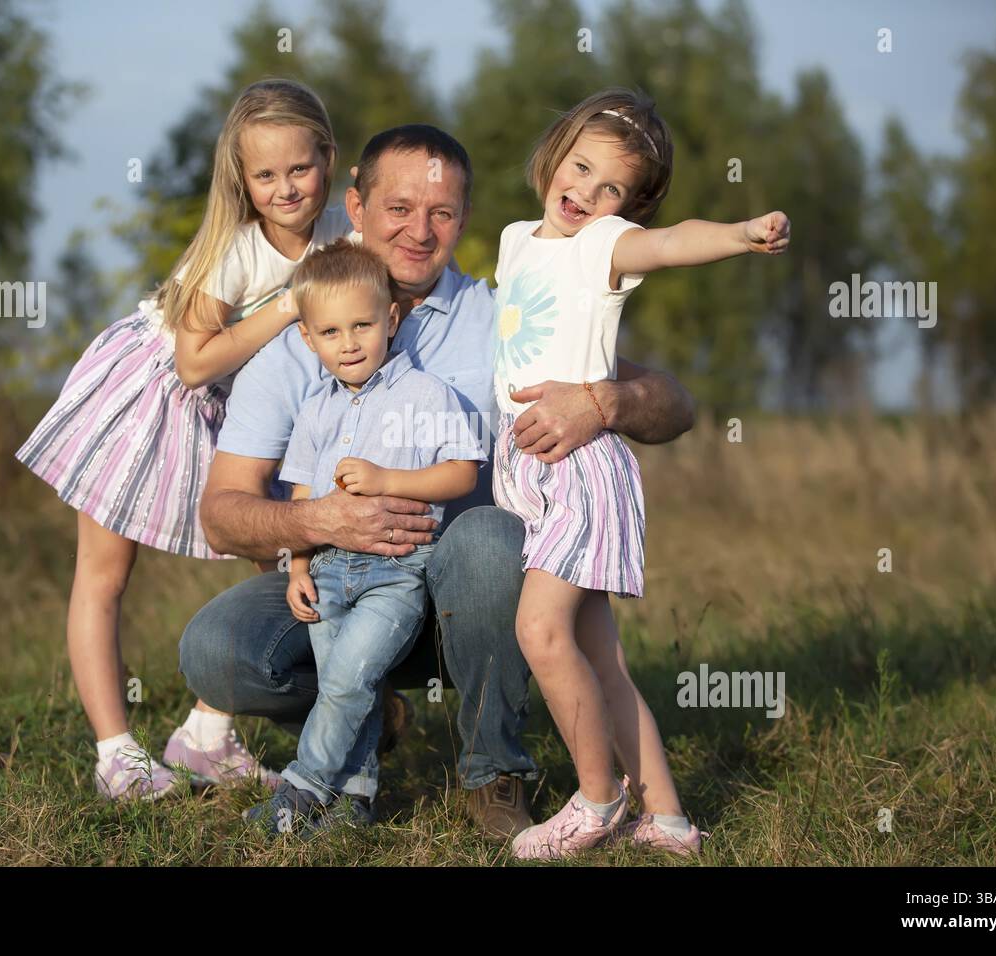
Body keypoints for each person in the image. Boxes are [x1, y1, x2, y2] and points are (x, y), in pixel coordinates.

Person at [178, 124, 698, 839]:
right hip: (336, 582)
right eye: (398, 209)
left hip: (470, 601)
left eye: (442, 214)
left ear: (464, 221)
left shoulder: (502, 316)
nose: (419, 231)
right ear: (355, 207)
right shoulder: (301, 330)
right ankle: (373, 712)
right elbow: (221, 514)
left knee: (488, 537)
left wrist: (606, 402)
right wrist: (319, 523)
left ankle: (493, 772)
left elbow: (675, 405)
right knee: (217, 652)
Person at [16, 78, 353, 800]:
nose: (286, 188)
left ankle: (204, 734)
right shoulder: (237, 249)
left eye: (300, 168)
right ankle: (116, 754)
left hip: (232, 413)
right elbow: (194, 360)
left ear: (328, 157)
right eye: (265, 176)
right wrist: (295, 303)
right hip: (149, 395)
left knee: (286, 557)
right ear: (243, 181)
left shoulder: (341, 235)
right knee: (105, 574)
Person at [494, 87, 790, 859]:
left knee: (539, 628)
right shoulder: (515, 239)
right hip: (532, 465)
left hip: (581, 469)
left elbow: (670, 244)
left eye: (610, 189)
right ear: (555, 151)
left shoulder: (603, 247)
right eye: (580, 166)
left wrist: (738, 233)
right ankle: (667, 818)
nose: (584, 192)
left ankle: (597, 800)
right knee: (601, 658)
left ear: (628, 210)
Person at [242, 240, 484, 834]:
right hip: (324, 573)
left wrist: (387, 479)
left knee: (350, 679)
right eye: (330, 331)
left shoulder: (426, 396)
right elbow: (300, 497)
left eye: (362, 325)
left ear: (391, 320)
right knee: (347, 685)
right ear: (308, 338)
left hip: (395, 571)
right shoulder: (315, 409)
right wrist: (297, 567)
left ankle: (301, 788)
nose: (348, 342)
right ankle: (354, 802)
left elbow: (462, 471)